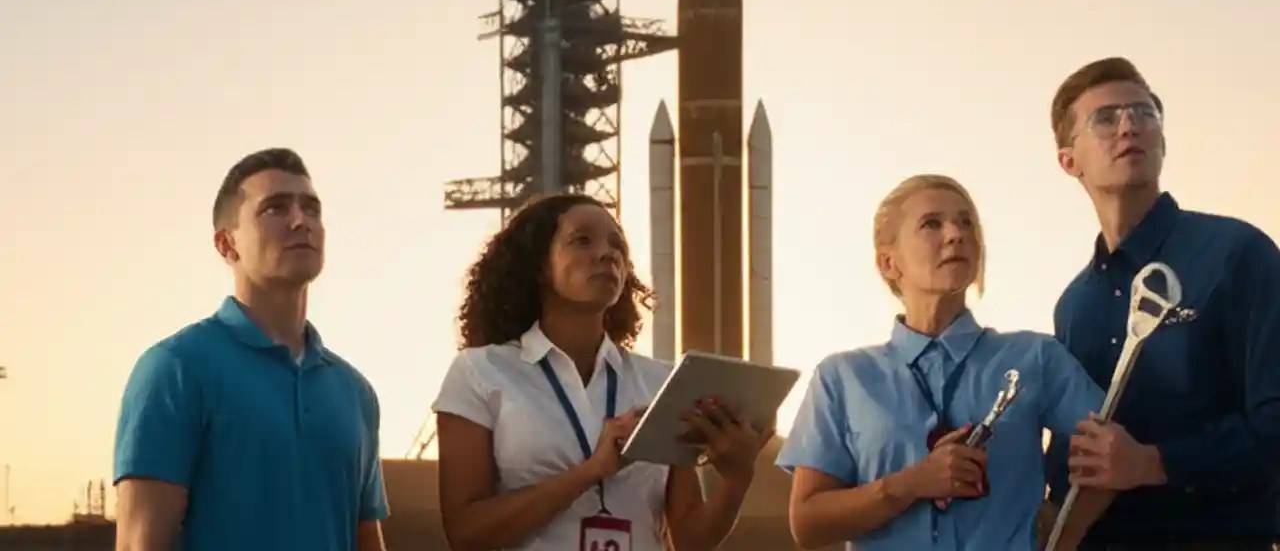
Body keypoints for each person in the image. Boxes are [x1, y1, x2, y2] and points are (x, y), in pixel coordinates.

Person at [777, 174, 1110, 550]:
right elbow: (807, 524)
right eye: (931, 224)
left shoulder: (1036, 358)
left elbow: (1112, 455)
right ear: (889, 263)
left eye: (966, 222)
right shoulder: (841, 380)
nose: (956, 234)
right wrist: (910, 484)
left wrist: (1065, 536)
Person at [431, 193, 773, 551]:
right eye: (582, 240)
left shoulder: (662, 382)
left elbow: (689, 541)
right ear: (539, 266)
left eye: (618, 246)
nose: (607, 254)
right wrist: (591, 471)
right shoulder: (481, 371)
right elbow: (466, 534)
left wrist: (737, 478)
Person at [1044, 57, 1280, 550]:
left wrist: (1154, 462)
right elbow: (1071, 458)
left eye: (1144, 113)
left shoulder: (1238, 254)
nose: (1129, 125)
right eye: (1105, 118)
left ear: (1162, 140)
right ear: (1070, 160)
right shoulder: (1073, 306)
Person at [112, 148, 389, 551]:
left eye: (312, 209)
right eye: (275, 209)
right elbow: (142, 543)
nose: (301, 221)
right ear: (227, 244)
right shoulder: (175, 369)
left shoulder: (355, 393)